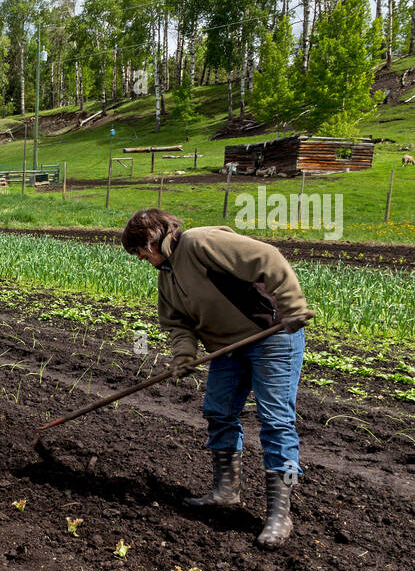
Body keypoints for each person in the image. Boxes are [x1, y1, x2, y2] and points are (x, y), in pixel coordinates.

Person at [121, 208, 313, 547]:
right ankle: (226, 492)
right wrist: (183, 356)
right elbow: (177, 322)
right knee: (219, 411)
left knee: (275, 420)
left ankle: (279, 515)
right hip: (228, 348)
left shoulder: (200, 242)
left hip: (270, 336)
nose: (139, 258)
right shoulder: (167, 274)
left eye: (139, 251)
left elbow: (267, 257)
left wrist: (293, 306)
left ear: (152, 239)